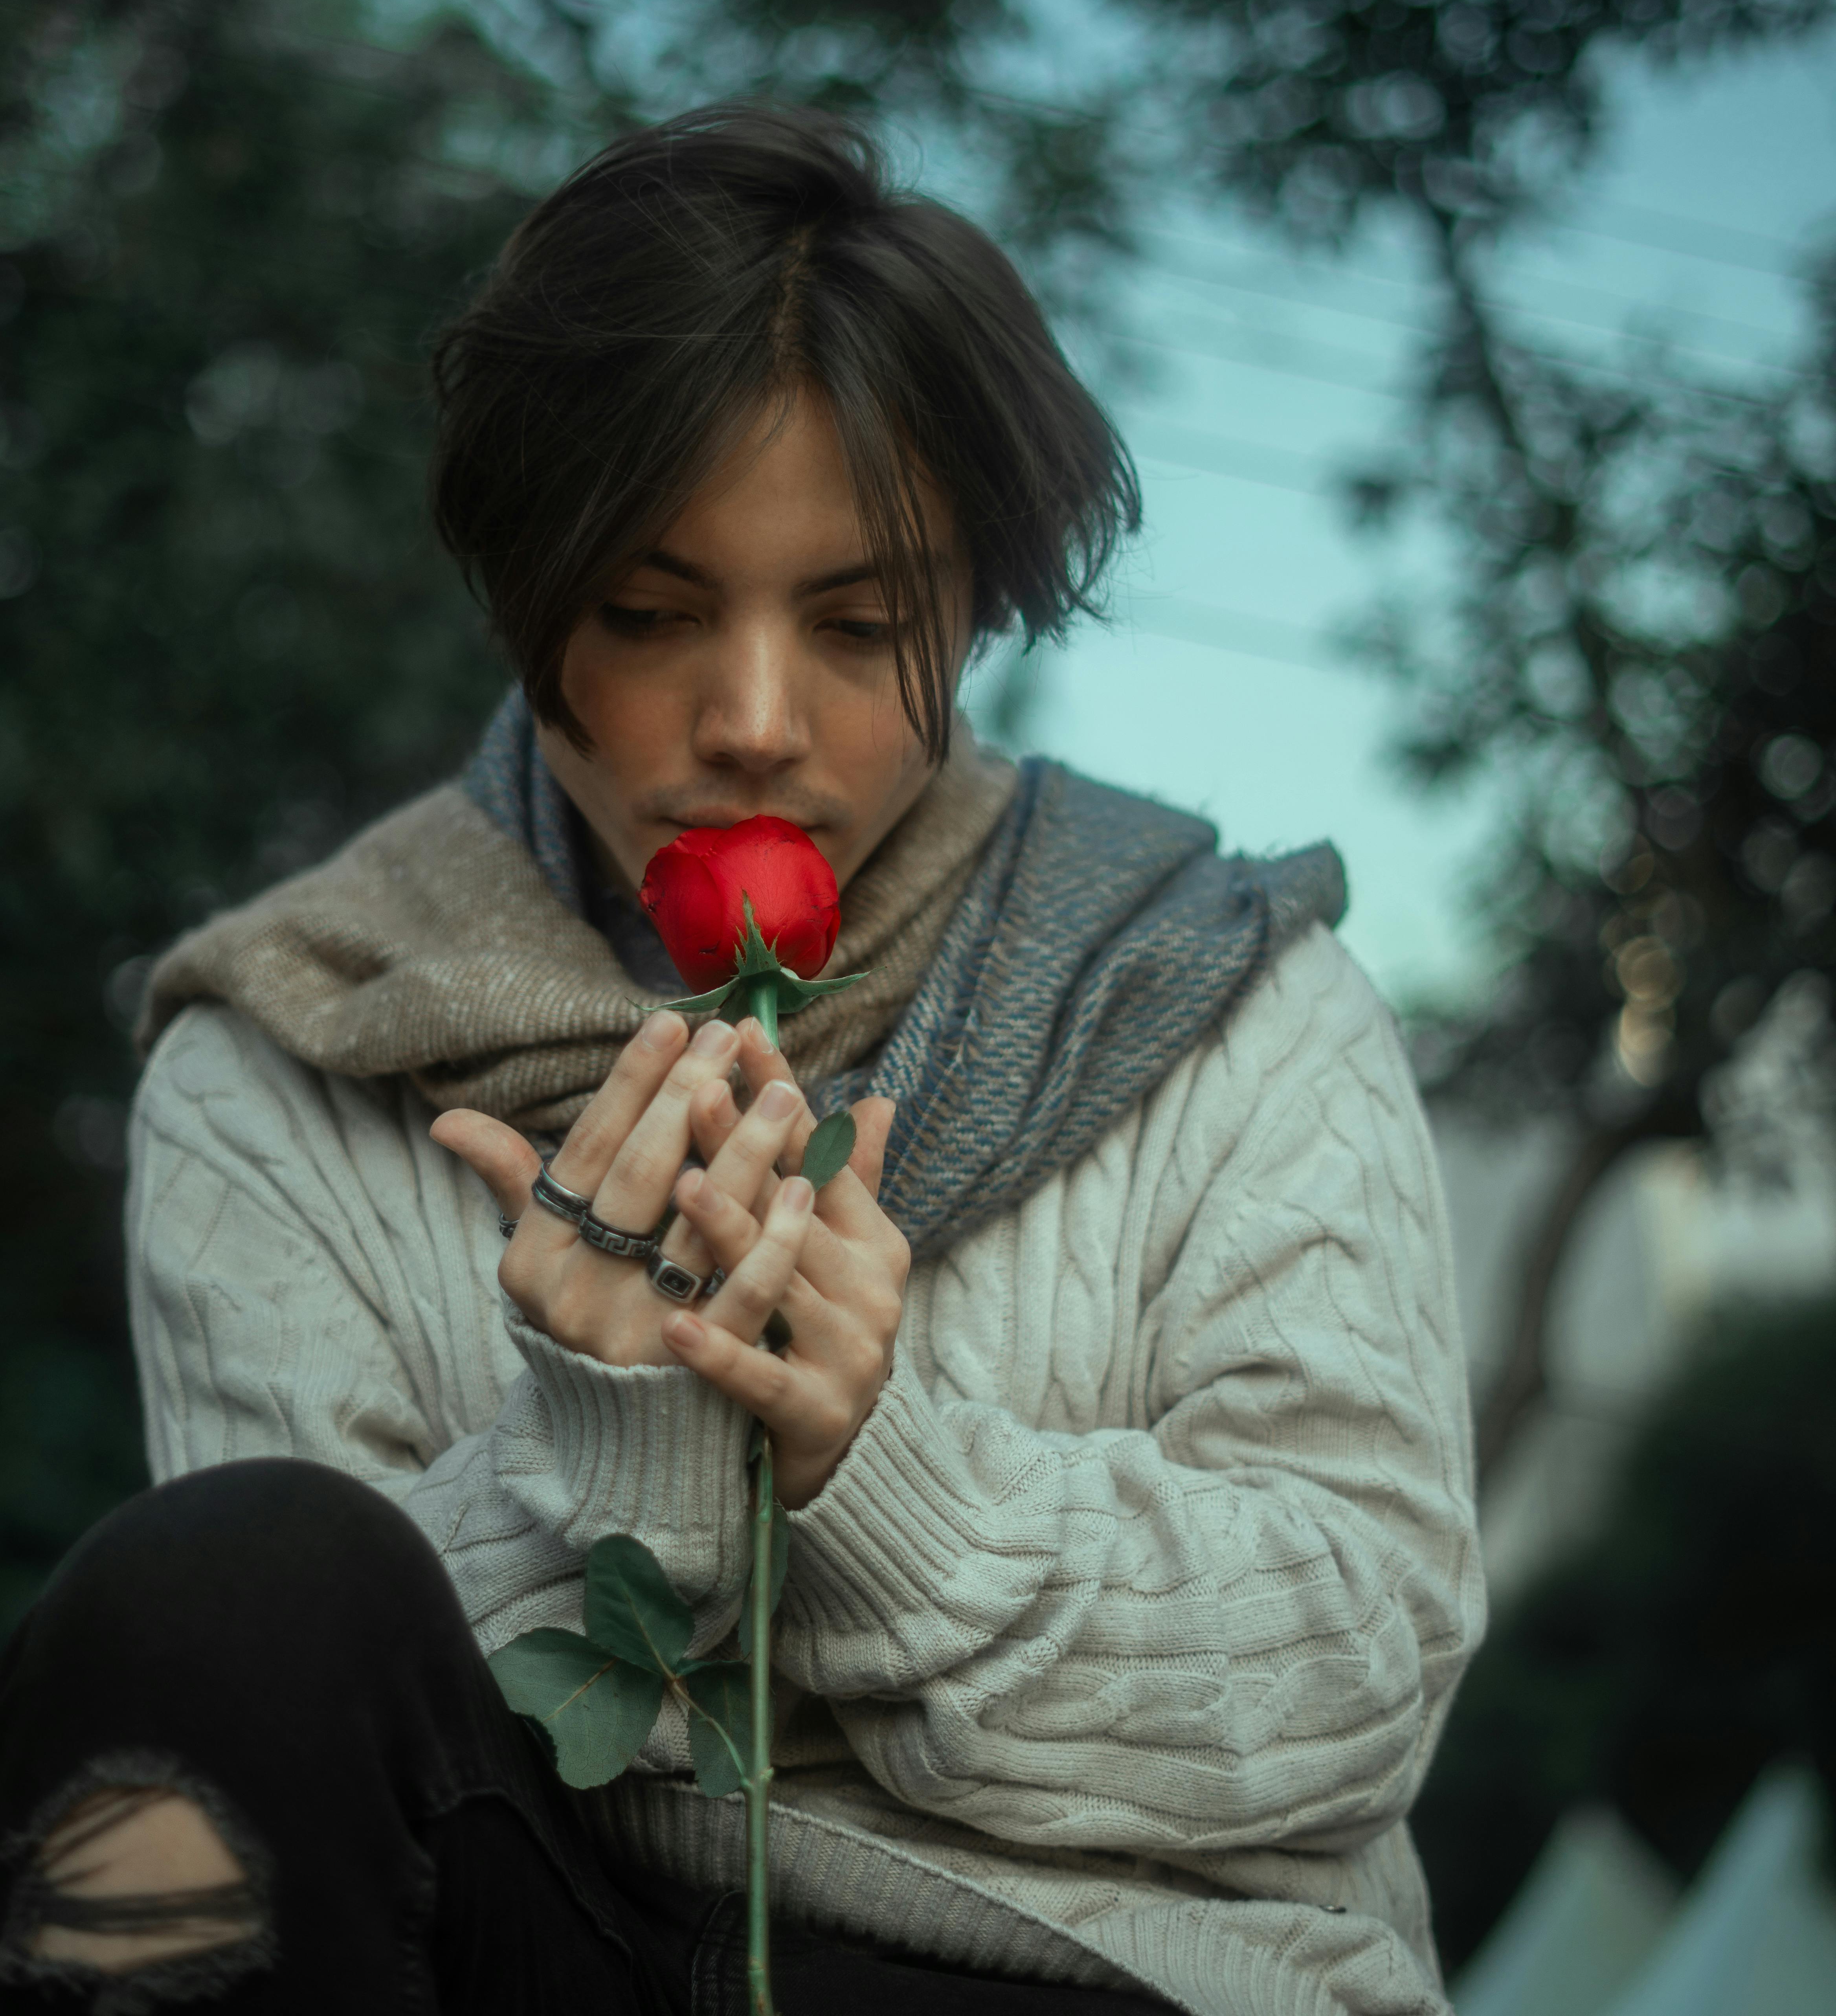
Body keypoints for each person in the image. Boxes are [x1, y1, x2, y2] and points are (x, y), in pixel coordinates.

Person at [0, 104, 1485, 2016]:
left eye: (865, 625)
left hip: (1092, 1978)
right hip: (545, 1950)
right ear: (526, 602)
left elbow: (1352, 1682)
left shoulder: (1218, 997)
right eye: (646, 610)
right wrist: (610, 1466)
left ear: (981, 607)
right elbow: (295, 1777)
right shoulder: (287, 1049)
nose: (755, 722)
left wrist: (886, 1474)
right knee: (205, 1592)